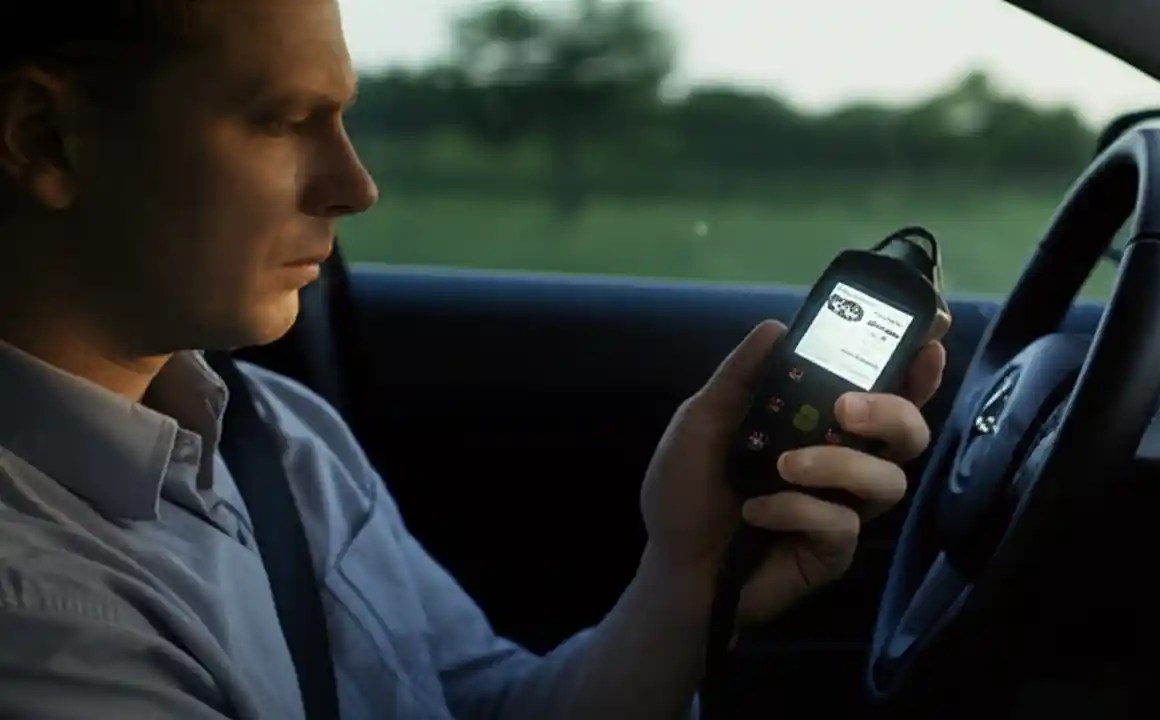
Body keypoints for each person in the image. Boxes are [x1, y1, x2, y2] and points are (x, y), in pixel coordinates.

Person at [0, 2, 947, 718]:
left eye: (343, 118)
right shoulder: (41, 622)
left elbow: (486, 705)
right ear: (44, 138)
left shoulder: (278, 436)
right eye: (283, 120)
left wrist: (691, 578)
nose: (355, 186)